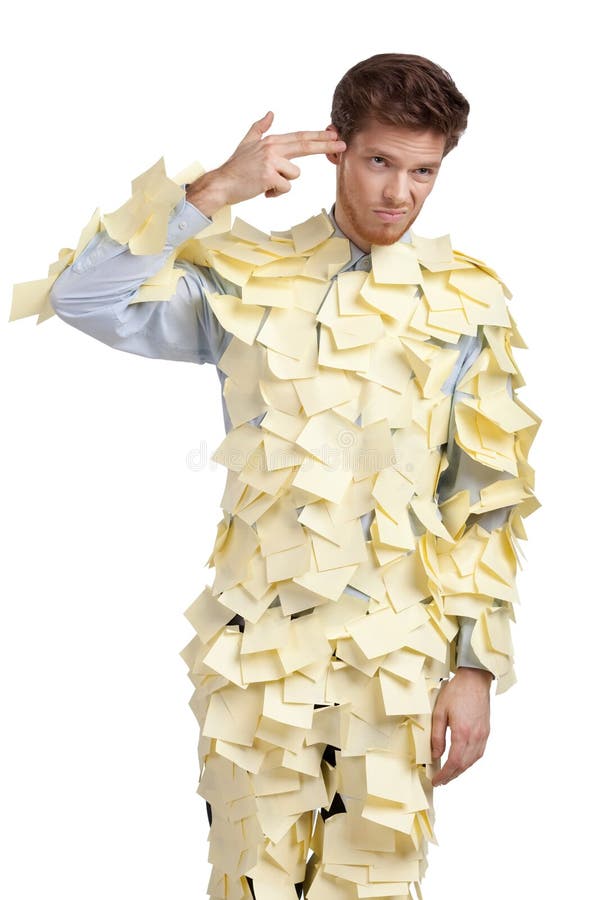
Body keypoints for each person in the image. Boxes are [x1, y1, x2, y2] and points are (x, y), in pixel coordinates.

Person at [10, 53, 540, 900]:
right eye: (378, 162)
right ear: (337, 151)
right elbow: (84, 301)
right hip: (257, 649)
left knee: (373, 883)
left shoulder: (468, 302)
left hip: (397, 659)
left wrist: (475, 667)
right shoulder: (248, 276)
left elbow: (483, 493)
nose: (399, 193)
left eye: (423, 171)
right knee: (251, 883)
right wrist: (210, 193)